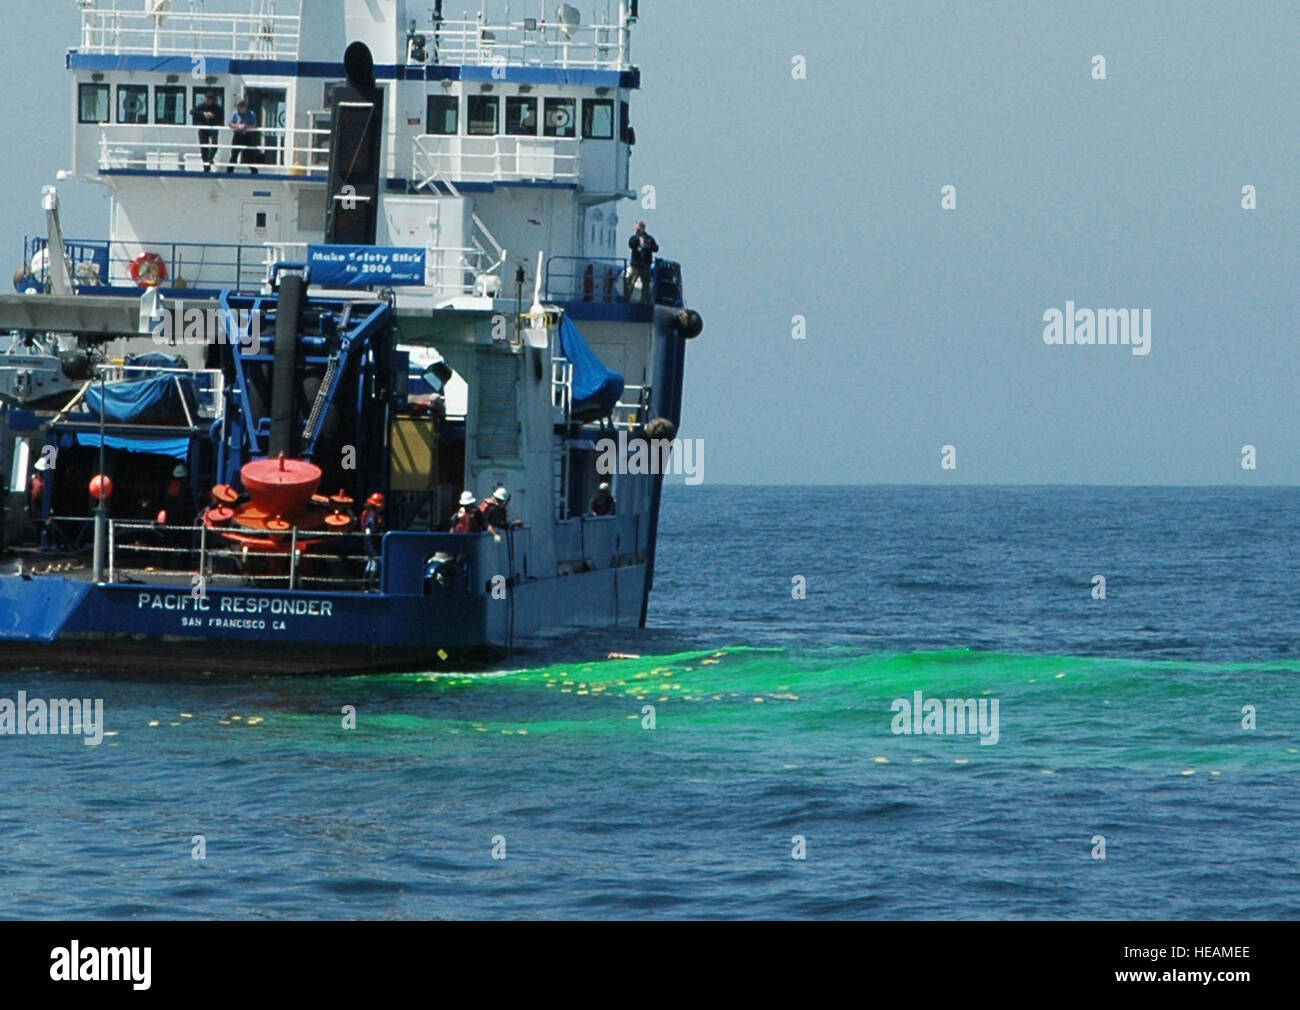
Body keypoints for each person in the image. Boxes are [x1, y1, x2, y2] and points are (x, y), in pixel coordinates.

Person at [625, 220, 658, 303]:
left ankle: (644, 301)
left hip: (645, 265)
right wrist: (637, 239)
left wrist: (646, 246)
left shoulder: (649, 239)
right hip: (635, 265)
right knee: (630, 283)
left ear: (643, 228)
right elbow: (631, 244)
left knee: (645, 284)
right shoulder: (634, 238)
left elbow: (656, 248)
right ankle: (626, 299)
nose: (637, 230)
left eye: (639, 229)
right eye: (636, 229)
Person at [191, 90, 223, 172]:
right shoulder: (201, 106)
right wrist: (203, 114)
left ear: (213, 100)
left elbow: (220, 117)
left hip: (213, 128)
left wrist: (213, 116)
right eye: (207, 99)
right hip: (203, 128)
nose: (208, 101)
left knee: (214, 145)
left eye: (210, 100)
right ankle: (206, 166)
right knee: (204, 147)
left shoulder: (217, 108)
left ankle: (209, 160)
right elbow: (192, 111)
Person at [227, 99, 259, 174]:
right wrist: (237, 126)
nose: (237, 109)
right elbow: (230, 124)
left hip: (247, 136)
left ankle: (254, 171)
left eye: (239, 107)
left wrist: (246, 126)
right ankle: (229, 171)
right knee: (234, 154)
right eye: (237, 107)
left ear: (244, 107)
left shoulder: (251, 114)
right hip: (237, 136)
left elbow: (254, 125)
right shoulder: (235, 114)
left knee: (249, 154)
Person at [360, 492, 385, 587]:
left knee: (371, 564)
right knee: (374, 564)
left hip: (371, 545)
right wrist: (373, 549)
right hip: (372, 545)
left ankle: (366, 585)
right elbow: (370, 534)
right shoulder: (372, 516)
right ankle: (370, 585)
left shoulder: (370, 515)